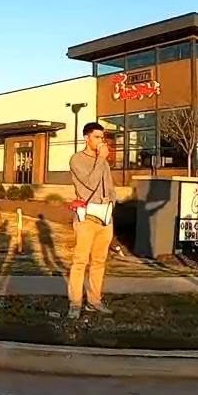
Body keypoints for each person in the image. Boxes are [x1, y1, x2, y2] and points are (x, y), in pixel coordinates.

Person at [68, 122, 117, 319]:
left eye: (102, 137)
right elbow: (89, 184)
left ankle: (94, 300)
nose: (100, 141)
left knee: (99, 261)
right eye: (97, 137)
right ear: (86, 138)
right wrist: (101, 159)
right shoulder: (77, 159)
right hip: (87, 217)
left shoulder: (103, 161)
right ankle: (75, 303)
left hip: (105, 216)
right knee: (80, 261)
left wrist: (112, 203)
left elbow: (109, 186)